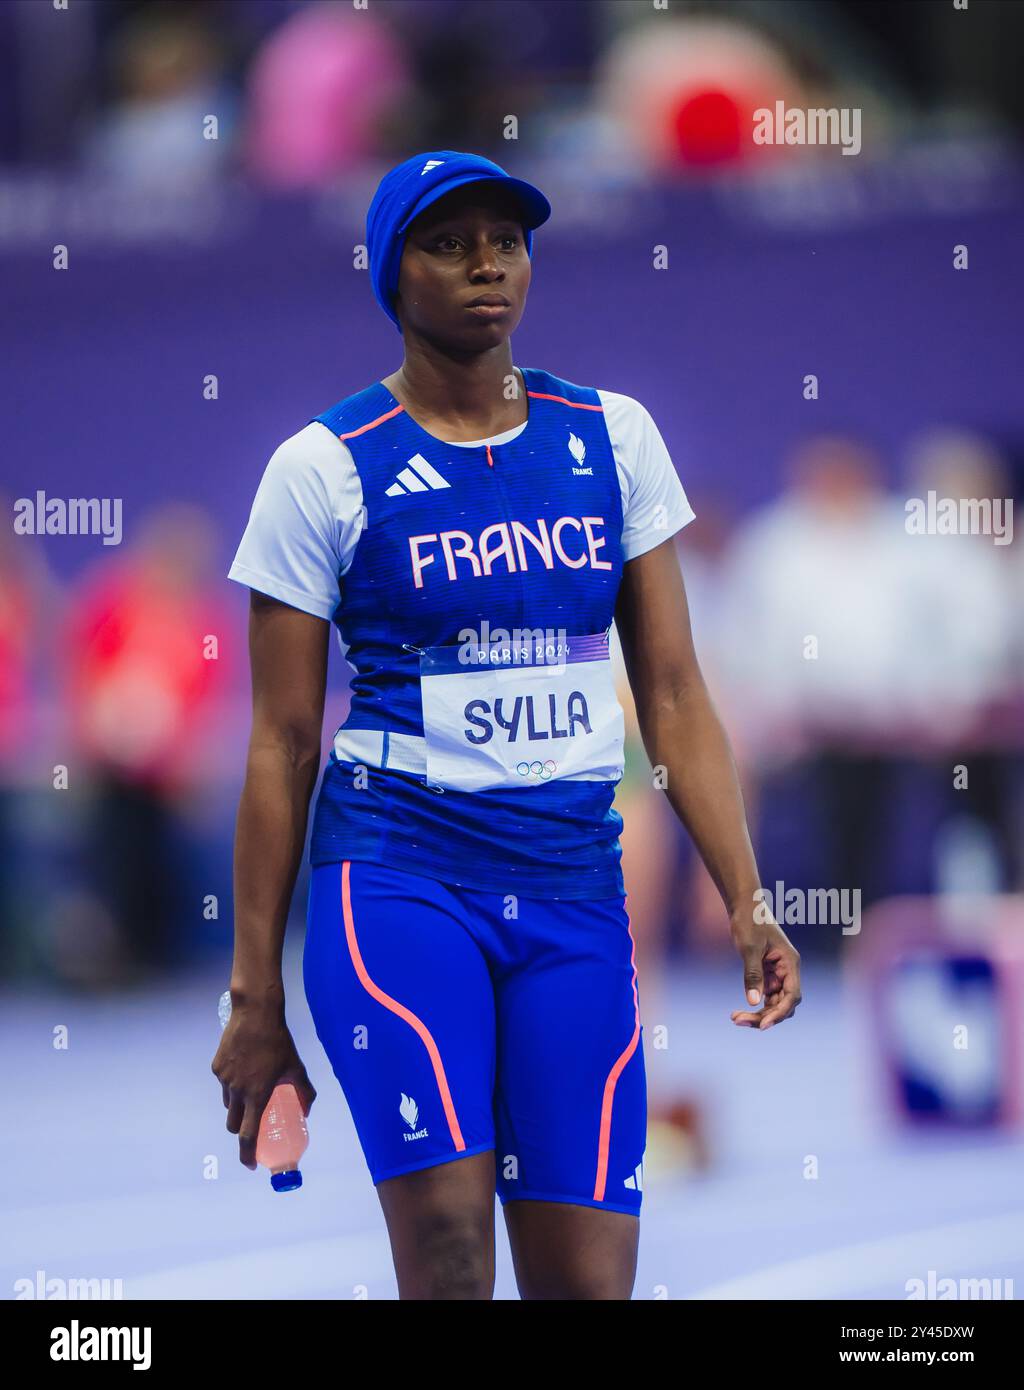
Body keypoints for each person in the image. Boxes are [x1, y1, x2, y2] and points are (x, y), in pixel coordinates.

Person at [212, 150, 801, 1301]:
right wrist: (254, 996)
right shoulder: (322, 469)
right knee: (447, 1253)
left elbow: (673, 693)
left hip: (572, 893)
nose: (487, 264)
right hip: (398, 884)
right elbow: (280, 744)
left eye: (507, 241)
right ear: (392, 274)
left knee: (588, 1282)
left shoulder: (611, 437)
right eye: (449, 244)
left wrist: (746, 894)